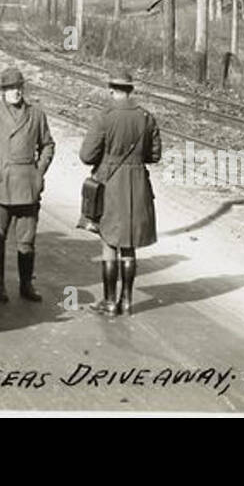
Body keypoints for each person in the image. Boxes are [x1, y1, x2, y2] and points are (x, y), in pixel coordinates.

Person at [0, 68, 55, 303]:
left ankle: (26, 285)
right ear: (2, 91)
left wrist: (39, 170)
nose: (15, 92)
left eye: (18, 87)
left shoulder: (36, 115)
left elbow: (48, 145)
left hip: (27, 186)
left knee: (27, 241)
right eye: (10, 88)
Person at [78, 69, 162, 317]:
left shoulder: (104, 117)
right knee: (129, 245)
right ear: (131, 90)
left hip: (110, 184)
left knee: (109, 243)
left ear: (112, 89)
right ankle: (127, 301)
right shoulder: (147, 117)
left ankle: (109, 301)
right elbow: (154, 155)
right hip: (137, 185)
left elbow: (86, 156)